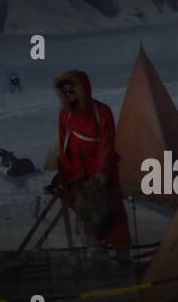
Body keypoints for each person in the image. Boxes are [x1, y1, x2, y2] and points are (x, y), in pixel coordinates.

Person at [49, 69, 131, 257]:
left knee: (114, 213)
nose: (69, 96)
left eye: (72, 91)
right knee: (89, 217)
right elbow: (64, 146)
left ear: (82, 90)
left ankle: (122, 254)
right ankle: (97, 253)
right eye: (65, 92)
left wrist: (102, 172)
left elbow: (107, 144)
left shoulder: (101, 112)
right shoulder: (65, 115)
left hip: (103, 174)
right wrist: (66, 173)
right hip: (79, 175)